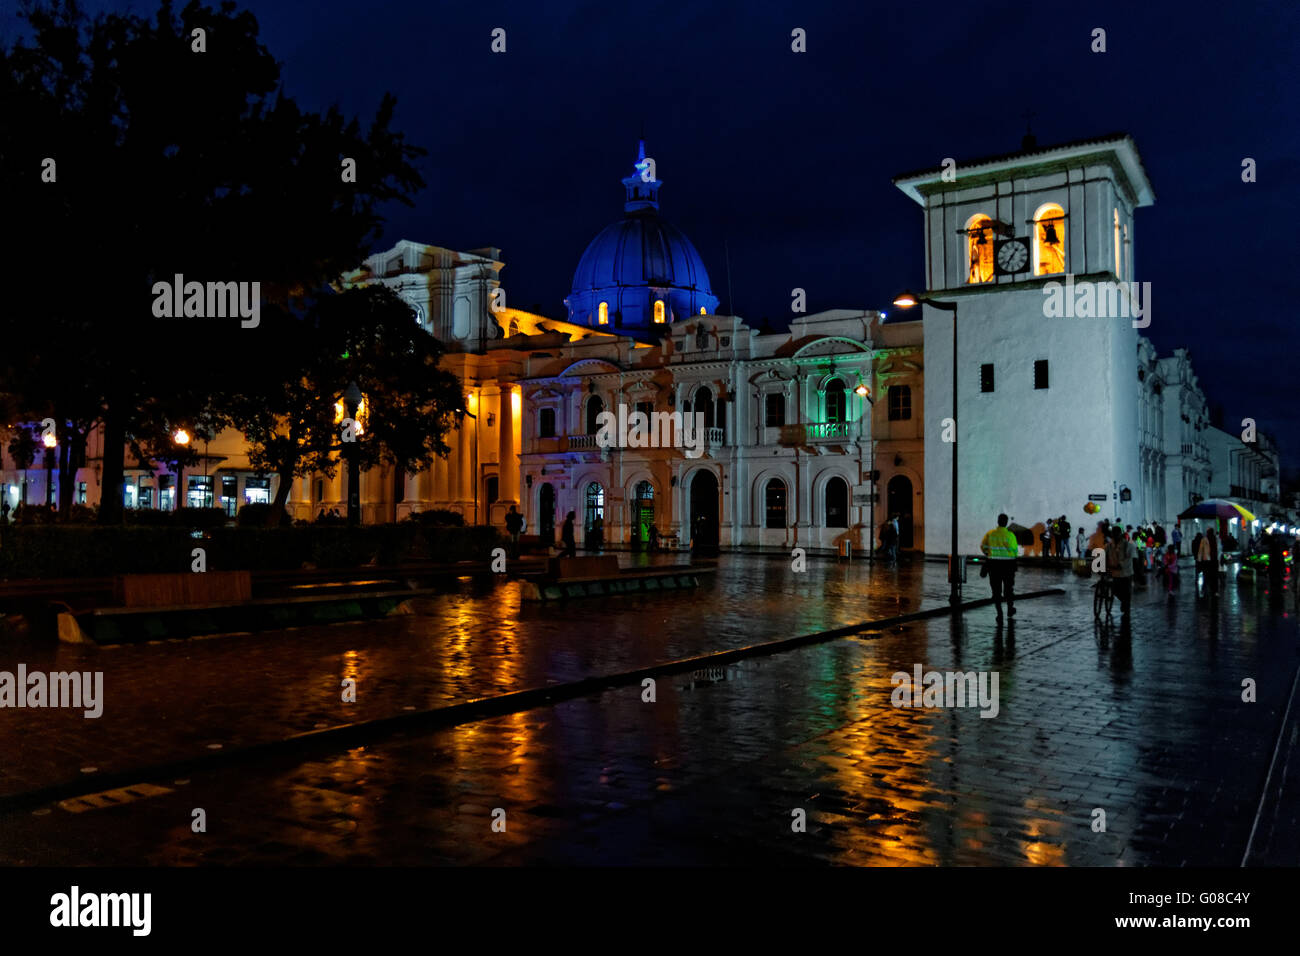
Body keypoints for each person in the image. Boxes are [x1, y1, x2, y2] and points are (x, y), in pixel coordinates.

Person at [980, 513, 1019, 622]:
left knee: (996, 591)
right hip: (1008, 566)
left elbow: (983, 547)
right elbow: (1015, 551)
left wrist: (989, 553)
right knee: (1009, 590)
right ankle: (1010, 609)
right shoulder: (1011, 535)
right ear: (1006, 523)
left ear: (998, 521)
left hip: (994, 565)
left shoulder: (990, 534)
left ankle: (999, 614)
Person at [1107, 526, 1135, 618]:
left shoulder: (1127, 545)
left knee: (1126, 592)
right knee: (1115, 590)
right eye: (1113, 533)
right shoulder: (1109, 545)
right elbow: (1104, 554)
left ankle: (1126, 607)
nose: (1114, 535)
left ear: (1120, 534)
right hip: (1115, 573)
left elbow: (1129, 558)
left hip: (1126, 573)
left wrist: (1121, 564)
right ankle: (1124, 602)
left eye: (1116, 533)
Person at [1197, 529, 1218, 600]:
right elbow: (1201, 550)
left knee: (1213, 576)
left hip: (1213, 560)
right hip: (1207, 560)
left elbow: (1219, 549)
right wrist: (1199, 559)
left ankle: (1213, 591)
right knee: (1207, 576)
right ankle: (1205, 590)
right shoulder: (1204, 540)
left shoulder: (1216, 539)